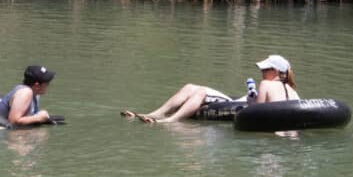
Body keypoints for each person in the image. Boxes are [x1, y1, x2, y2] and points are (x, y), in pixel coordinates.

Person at [121, 54, 298, 123]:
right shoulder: (292, 91)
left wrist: (252, 99)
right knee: (190, 86)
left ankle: (168, 121)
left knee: (200, 91)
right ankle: (156, 114)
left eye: (265, 69)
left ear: (275, 71)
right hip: (241, 101)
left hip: (238, 104)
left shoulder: (266, 84)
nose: (261, 72)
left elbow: (257, 111)